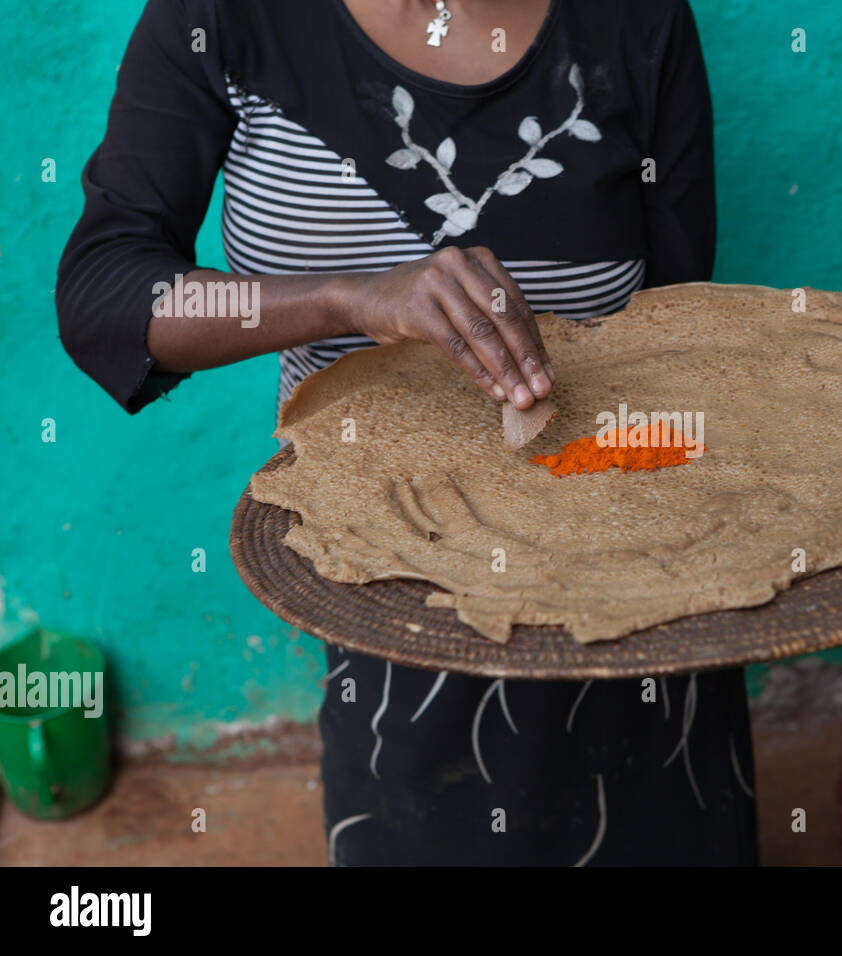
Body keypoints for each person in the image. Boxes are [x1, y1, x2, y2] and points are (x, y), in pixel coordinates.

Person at [57, 0, 756, 866]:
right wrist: (349, 297)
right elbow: (107, 296)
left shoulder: (635, 21)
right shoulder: (223, 21)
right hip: (391, 587)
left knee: (658, 827)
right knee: (430, 824)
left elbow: (679, 325)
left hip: (632, 570)